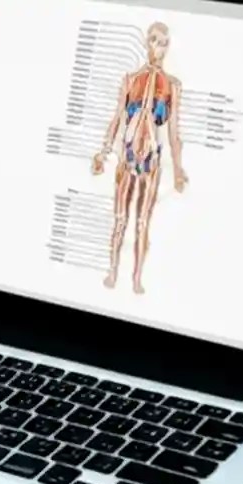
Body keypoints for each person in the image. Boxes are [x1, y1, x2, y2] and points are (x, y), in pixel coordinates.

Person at [92, 21, 189, 295]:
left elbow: (173, 132)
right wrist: (103, 151)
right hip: (128, 153)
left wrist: (178, 170)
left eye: (165, 43)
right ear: (147, 43)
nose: (160, 48)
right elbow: (117, 119)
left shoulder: (172, 86)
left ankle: (136, 278)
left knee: (143, 221)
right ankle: (112, 271)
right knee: (120, 219)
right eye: (156, 41)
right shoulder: (130, 80)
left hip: (152, 158)